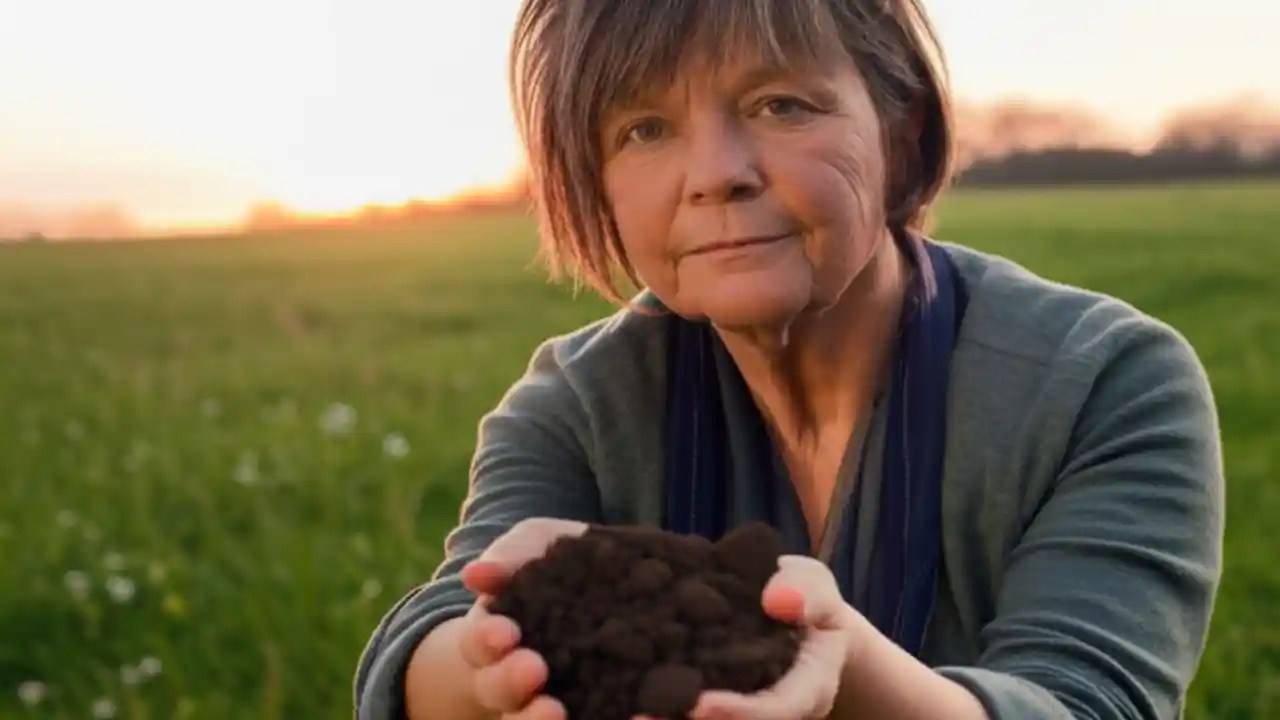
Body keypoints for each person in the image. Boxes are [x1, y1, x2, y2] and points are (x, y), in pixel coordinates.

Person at [354, 1, 1225, 718]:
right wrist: (494, 650)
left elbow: (1091, 701)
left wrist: (839, 672)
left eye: (781, 105)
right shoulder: (577, 405)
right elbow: (423, 651)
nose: (715, 174)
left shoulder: (1105, 384)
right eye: (645, 128)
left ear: (903, 131)